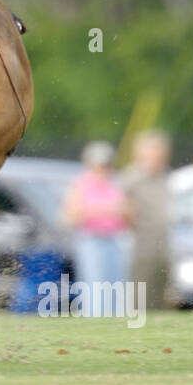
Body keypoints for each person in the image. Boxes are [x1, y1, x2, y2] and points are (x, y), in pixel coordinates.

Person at [61, 141, 131, 316]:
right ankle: (94, 317)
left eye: (106, 164)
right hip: (91, 239)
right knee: (95, 283)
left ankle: (115, 319)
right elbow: (71, 215)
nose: (103, 168)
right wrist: (104, 209)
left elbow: (128, 211)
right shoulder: (81, 183)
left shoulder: (115, 183)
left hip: (114, 238)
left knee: (116, 283)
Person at [118, 130, 172, 311]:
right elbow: (120, 208)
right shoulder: (131, 178)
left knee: (163, 292)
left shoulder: (168, 177)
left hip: (166, 243)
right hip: (141, 243)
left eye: (160, 150)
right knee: (141, 291)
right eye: (153, 150)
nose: (157, 155)